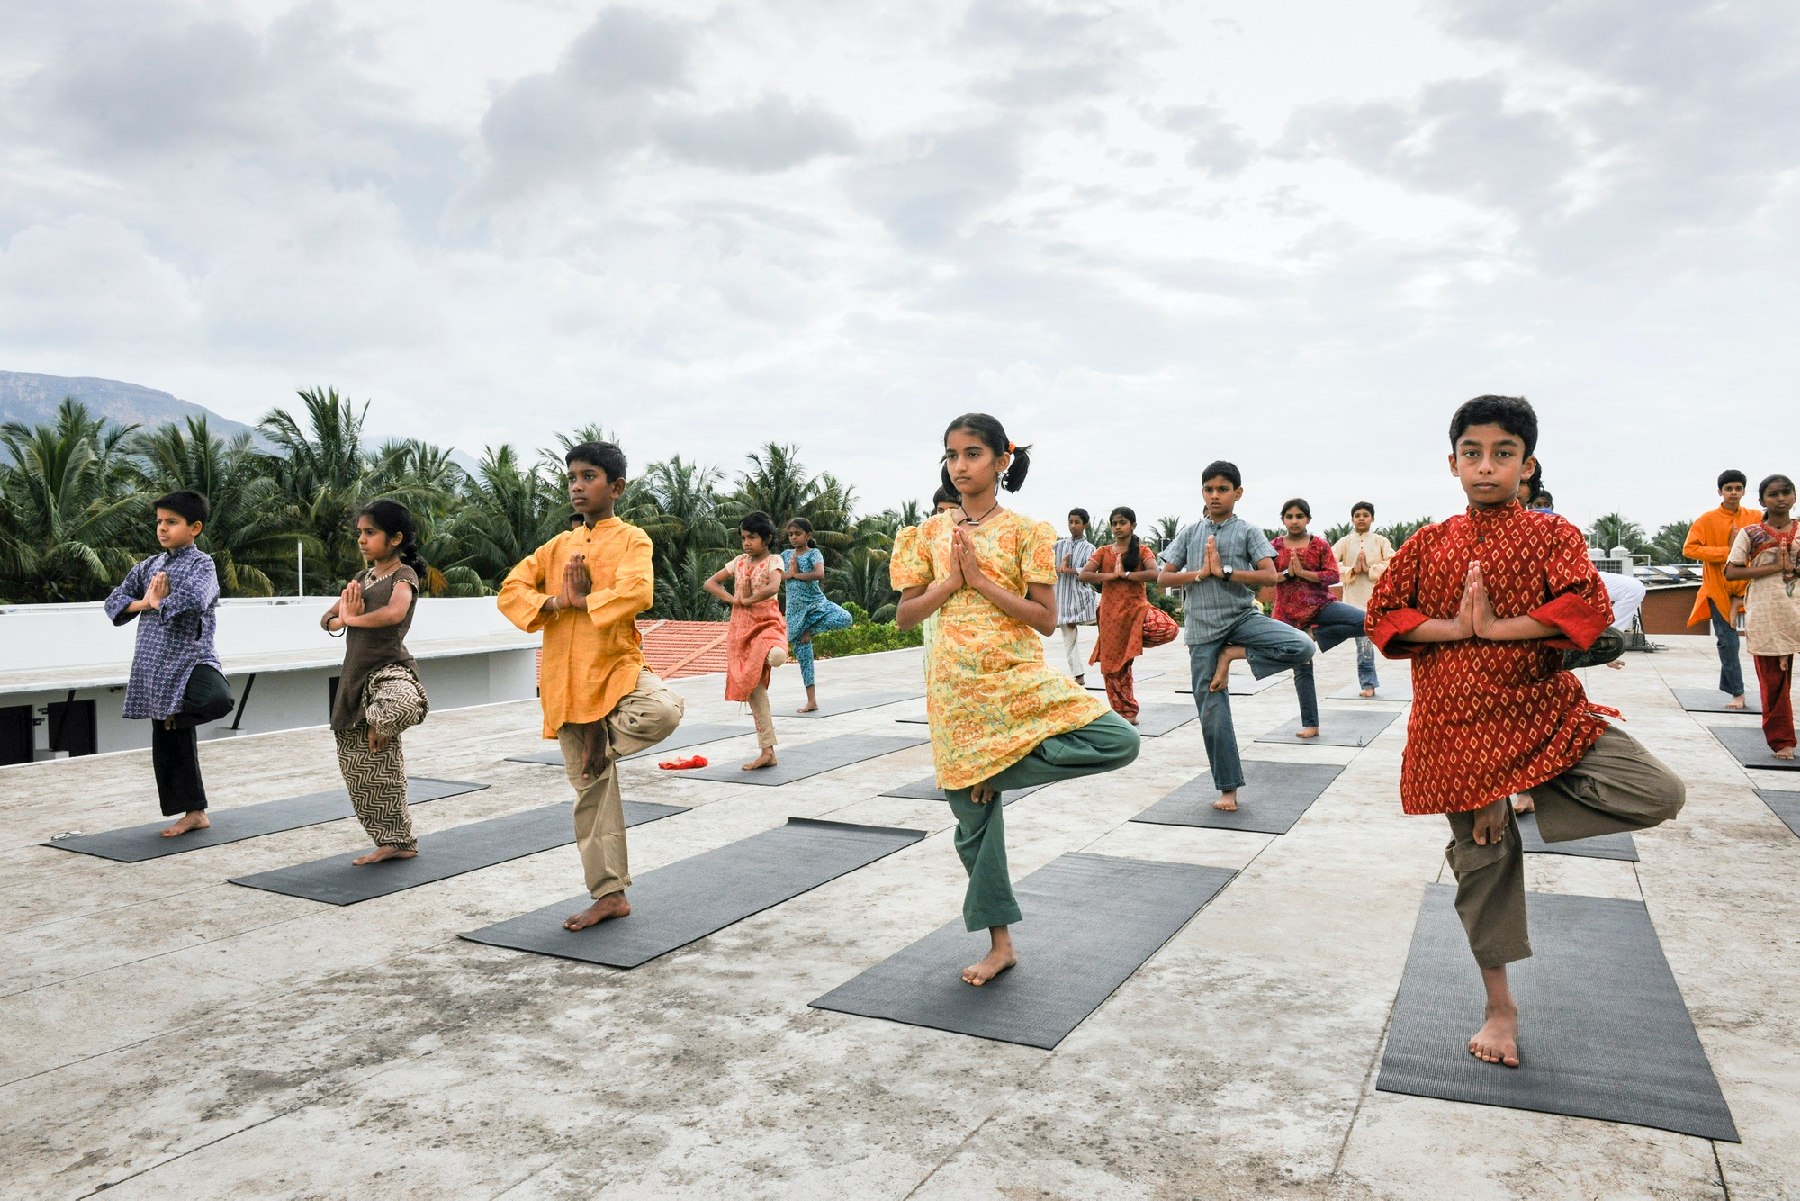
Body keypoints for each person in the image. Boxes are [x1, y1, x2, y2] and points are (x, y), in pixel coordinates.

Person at [1366, 394, 1685, 1069]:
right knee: (1484, 869)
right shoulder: (1428, 543)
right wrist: (1453, 629)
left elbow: (1590, 605)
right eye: (1473, 453)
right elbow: (1383, 614)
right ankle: (1500, 1009)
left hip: (1543, 719)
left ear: (1526, 464)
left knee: (1658, 791)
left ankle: (1519, 792)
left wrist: (1499, 627)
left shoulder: (1552, 535)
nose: (1487, 466)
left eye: (1502, 453)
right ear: (1452, 462)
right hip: (1454, 732)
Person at [893, 413, 1140, 987]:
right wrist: (950, 583)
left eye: (973, 454)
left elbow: (1047, 621)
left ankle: (999, 767)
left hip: (1014, 679)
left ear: (1002, 460)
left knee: (1117, 739)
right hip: (955, 692)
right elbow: (906, 616)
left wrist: (980, 581)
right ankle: (1000, 944)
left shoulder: (1027, 531)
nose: (960, 466)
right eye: (952, 455)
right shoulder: (925, 534)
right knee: (974, 829)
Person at [498, 440, 685, 931]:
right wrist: (560, 602)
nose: (577, 486)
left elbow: (637, 591)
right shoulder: (555, 548)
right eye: (572, 478)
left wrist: (586, 600)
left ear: (616, 487)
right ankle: (609, 895)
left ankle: (608, 742)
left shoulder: (632, 539)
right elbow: (511, 591)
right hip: (565, 684)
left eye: (588, 477)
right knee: (591, 798)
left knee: (662, 710)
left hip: (616, 669)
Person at [1157, 462, 1315, 811]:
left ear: (1237, 493)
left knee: (1302, 646)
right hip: (1201, 631)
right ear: (1202, 492)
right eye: (1209, 489)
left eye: (1223, 489)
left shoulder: (1248, 531)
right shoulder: (1190, 532)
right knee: (1213, 714)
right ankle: (1227, 789)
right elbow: (1163, 579)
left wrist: (1226, 572)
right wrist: (1199, 574)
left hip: (1242, 619)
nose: (1215, 495)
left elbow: (1270, 577)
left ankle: (1231, 656)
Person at [102, 490, 232, 837]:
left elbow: (194, 599)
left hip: (191, 658)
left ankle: (178, 715)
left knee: (217, 698)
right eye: (159, 521)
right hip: (155, 664)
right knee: (169, 743)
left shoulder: (201, 564)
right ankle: (194, 812)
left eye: (171, 522)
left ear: (195, 527)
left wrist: (158, 603)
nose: (162, 528)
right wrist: (146, 602)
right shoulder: (147, 566)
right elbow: (114, 602)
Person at [319, 500, 432, 865]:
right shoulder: (362, 578)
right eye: (360, 534)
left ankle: (379, 722)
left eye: (371, 533)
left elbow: (394, 613)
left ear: (396, 538)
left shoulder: (404, 577)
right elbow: (328, 618)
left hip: (389, 670)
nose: (363, 540)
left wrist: (351, 620)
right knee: (365, 773)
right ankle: (395, 840)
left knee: (401, 704)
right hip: (355, 677)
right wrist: (341, 619)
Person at [1268, 498, 1367, 738]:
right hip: (1288, 614)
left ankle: (1316, 634)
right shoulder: (1274, 546)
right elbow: (1266, 576)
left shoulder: (1319, 545)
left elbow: (1333, 575)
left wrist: (1304, 573)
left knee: (1366, 621)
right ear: (1282, 519)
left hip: (1321, 605)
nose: (1294, 521)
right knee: (1302, 669)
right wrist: (1287, 574)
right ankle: (1310, 724)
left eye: (1299, 516)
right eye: (1289, 516)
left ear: (1308, 520)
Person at [1078, 506, 1180, 723]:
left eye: (1122, 523)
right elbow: (1084, 575)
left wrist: (1125, 574)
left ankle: (1134, 642)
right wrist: (1111, 576)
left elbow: (1155, 574)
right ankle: (1126, 713)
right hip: (1111, 616)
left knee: (1169, 628)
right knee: (1114, 667)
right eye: (1114, 523)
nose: (1117, 527)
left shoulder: (1142, 550)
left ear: (1132, 526)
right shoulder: (1103, 551)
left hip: (1136, 611)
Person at [705, 511, 789, 769]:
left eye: (751, 537)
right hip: (741, 631)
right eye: (743, 538)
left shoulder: (774, 560)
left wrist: (750, 600)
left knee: (775, 656)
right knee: (756, 693)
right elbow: (711, 583)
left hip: (767, 625)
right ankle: (767, 751)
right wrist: (734, 601)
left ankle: (767, 656)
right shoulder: (738, 562)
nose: (746, 543)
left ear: (766, 538)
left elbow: (774, 586)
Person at [1725, 473, 1798, 758]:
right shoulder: (1751, 533)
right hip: (1768, 607)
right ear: (1762, 500)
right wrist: (1774, 568)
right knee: (1774, 678)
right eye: (1773, 494)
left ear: (1794, 495)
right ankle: (1783, 741)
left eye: (1786, 492)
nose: (1781, 499)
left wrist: (1792, 567)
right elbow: (1731, 571)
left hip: (1796, 606)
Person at [1685, 470, 1762, 708]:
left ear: (1744, 491)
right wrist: (1726, 551)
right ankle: (1738, 693)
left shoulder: (1756, 516)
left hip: (1749, 587)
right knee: (1728, 641)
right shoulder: (1707, 519)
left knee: (1735, 642)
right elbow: (1690, 549)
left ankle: (1731, 686)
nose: (1733, 493)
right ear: (1720, 491)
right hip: (1717, 589)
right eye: (1728, 489)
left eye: (1738, 488)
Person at [780, 518, 854, 713]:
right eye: (790, 534)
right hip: (796, 612)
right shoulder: (786, 555)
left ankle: (810, 630)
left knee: (845, 618)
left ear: (808, 535)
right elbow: (777, 575)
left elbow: (819, 574)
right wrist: (788, 575)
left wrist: (795, 575)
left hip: (816, 605)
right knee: (804, 658)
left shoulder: (814, 553)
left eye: (798, 534)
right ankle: (811, 701)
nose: (794, 537)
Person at [1333, 502, 1393, 697]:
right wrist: (1351, 570)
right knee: (1364, 642)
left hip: (1377, 601)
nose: (1361, 518)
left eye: (1365, 515)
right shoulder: (1344, 542)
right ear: (1352, 519)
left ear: (1372, 519)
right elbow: (1329, 563)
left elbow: (1394, 563)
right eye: (1357, 515)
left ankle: (1370, 682)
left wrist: (1370, 570)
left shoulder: (1380, 541)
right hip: (1354, 604)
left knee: (1381, 642)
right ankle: (1368, 684)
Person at [1053, 509, 1100, 684]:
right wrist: (1058, 568)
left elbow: (1090, 571)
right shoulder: (1059, 545)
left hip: (1082, 597)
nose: (1073, 526)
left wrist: (1068, 570)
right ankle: (1078, 675)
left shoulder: (1090, 548)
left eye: (1077, 522)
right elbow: (1043, 562)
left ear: (1085, 524)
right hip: (1063, 598)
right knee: (1069, 638)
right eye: (1070, 522)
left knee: (1107, 611)